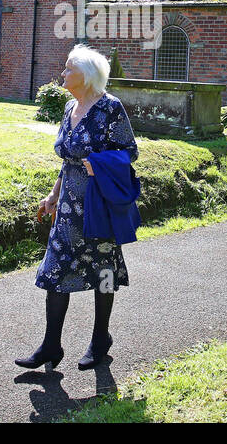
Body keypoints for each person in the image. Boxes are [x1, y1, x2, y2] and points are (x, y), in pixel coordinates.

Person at [18, 44, 138, 371]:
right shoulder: (70, 107)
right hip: (69, 206)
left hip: (98, 205)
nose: (62, 73)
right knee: (55, 271)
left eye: (68, 68)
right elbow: (68, 161)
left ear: (85, 75)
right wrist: (53, 195)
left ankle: (101, 339)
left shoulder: (110, 108)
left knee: (104, 273)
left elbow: (129, 152)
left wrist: (98, 163)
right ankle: (50, 345)